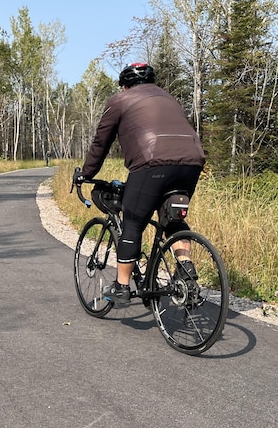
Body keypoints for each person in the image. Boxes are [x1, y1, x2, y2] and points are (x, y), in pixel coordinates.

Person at [75, 63, 205, 303]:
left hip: (152, 163)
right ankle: (186, 269)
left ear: (124, 86)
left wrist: (85, 172)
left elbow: (100, 143)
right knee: (172, 218)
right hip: (193, 162)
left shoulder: (119, 100)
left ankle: (122, 286)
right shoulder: (170, 99)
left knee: (133, 221)